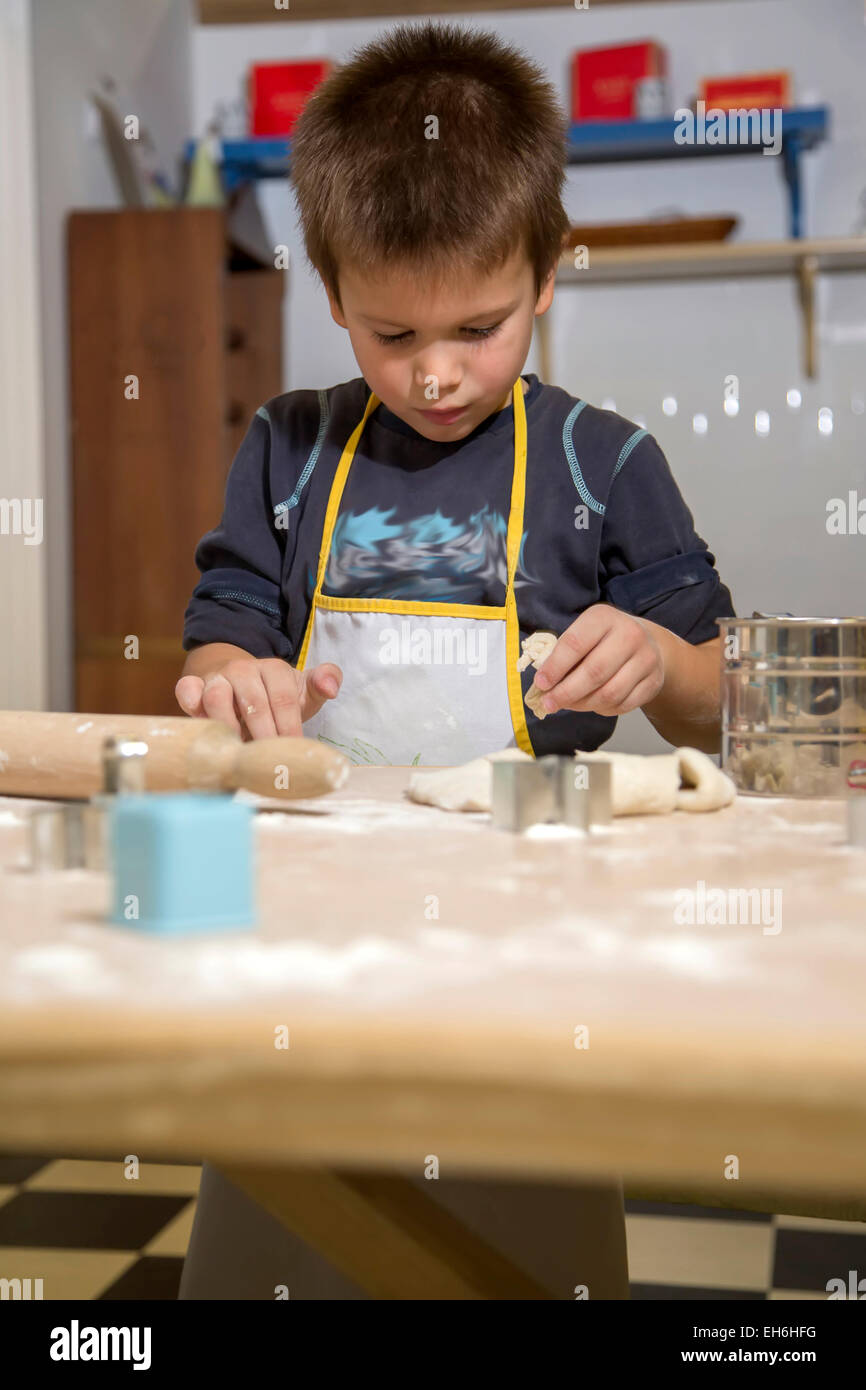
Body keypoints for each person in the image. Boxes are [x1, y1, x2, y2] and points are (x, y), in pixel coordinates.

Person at [177, 22, 733, 1301]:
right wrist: (231, 679)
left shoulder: (608, 462)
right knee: (286, 1235)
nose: (434, 373)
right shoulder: (288, 446)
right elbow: (226, 630)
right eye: (388, 336)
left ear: (546, 274)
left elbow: (722, 709)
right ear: (328, 296)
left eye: (479, 328)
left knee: (520, 1243)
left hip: (528, 941)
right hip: (309, 935)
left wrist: (657, 658)